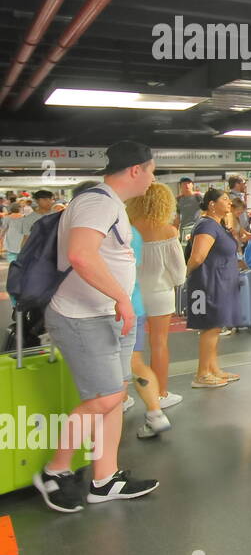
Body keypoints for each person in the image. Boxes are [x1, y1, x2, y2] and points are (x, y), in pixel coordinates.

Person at [34, 140, 160, 513]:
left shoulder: (110, 205)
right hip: (82, 317)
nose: (152, 179)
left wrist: (119, 304)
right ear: (136, 170)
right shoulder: (97, 202)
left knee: (115, 396)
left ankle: (105, 480)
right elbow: (80, 254)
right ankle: (55, 471)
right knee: (105, 397)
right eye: (151, 171)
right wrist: (123, 298)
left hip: (108, 317)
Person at [126, 182, 187, 409]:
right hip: (161, 294)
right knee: (159, 344)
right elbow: (179, 274)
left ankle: (121, 398)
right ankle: (160, 393)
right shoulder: (168, 231)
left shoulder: (128, 228)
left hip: (131, 295)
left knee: (129, 349)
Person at [185, 189, 240, 388]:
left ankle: (213, 369)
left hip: (220, 283)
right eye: (224, 200)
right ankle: (202, 374)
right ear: (211, 204)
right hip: (209, 284)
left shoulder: (218, 225)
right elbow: (197, 257)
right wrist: (187, 274)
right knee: (209, 327)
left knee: (215, 327)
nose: (229, 203)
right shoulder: (207, 225)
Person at [126, 222, 172, 439]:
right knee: (135, 361)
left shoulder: (89, 230)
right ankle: (155, 413)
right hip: (132, 303)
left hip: (102, 308)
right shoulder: (132, 232)